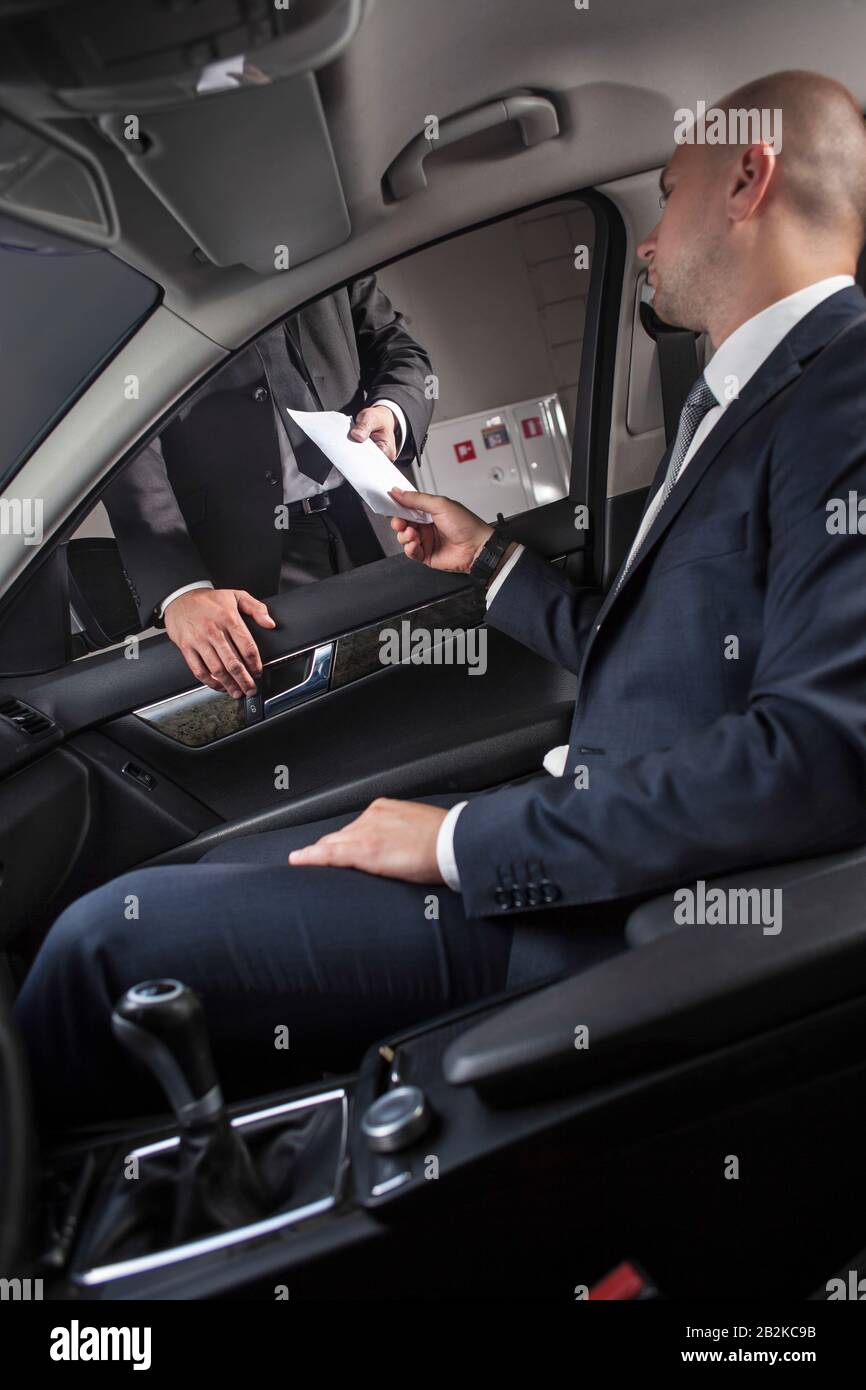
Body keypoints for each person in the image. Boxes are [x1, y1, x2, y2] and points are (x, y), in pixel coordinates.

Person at [15, 70, 866, 1121]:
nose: (645, 238)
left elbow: (819, 758)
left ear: (746, 177)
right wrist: (487, 562)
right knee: (189, 878)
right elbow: (649, 652)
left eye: (667, 189)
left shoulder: (844, 387)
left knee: (102, 945)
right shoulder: (740, 397)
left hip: (596, 917)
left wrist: (464, 844)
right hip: (567, 834)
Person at [104, 275, 433, 699]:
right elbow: (126, 436)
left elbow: (398, 347)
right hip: (245, 573)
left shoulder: (323, 235)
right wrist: (179, 589)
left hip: (383, 522)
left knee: (431, 683)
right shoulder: (142, 271)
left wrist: (393, 408)